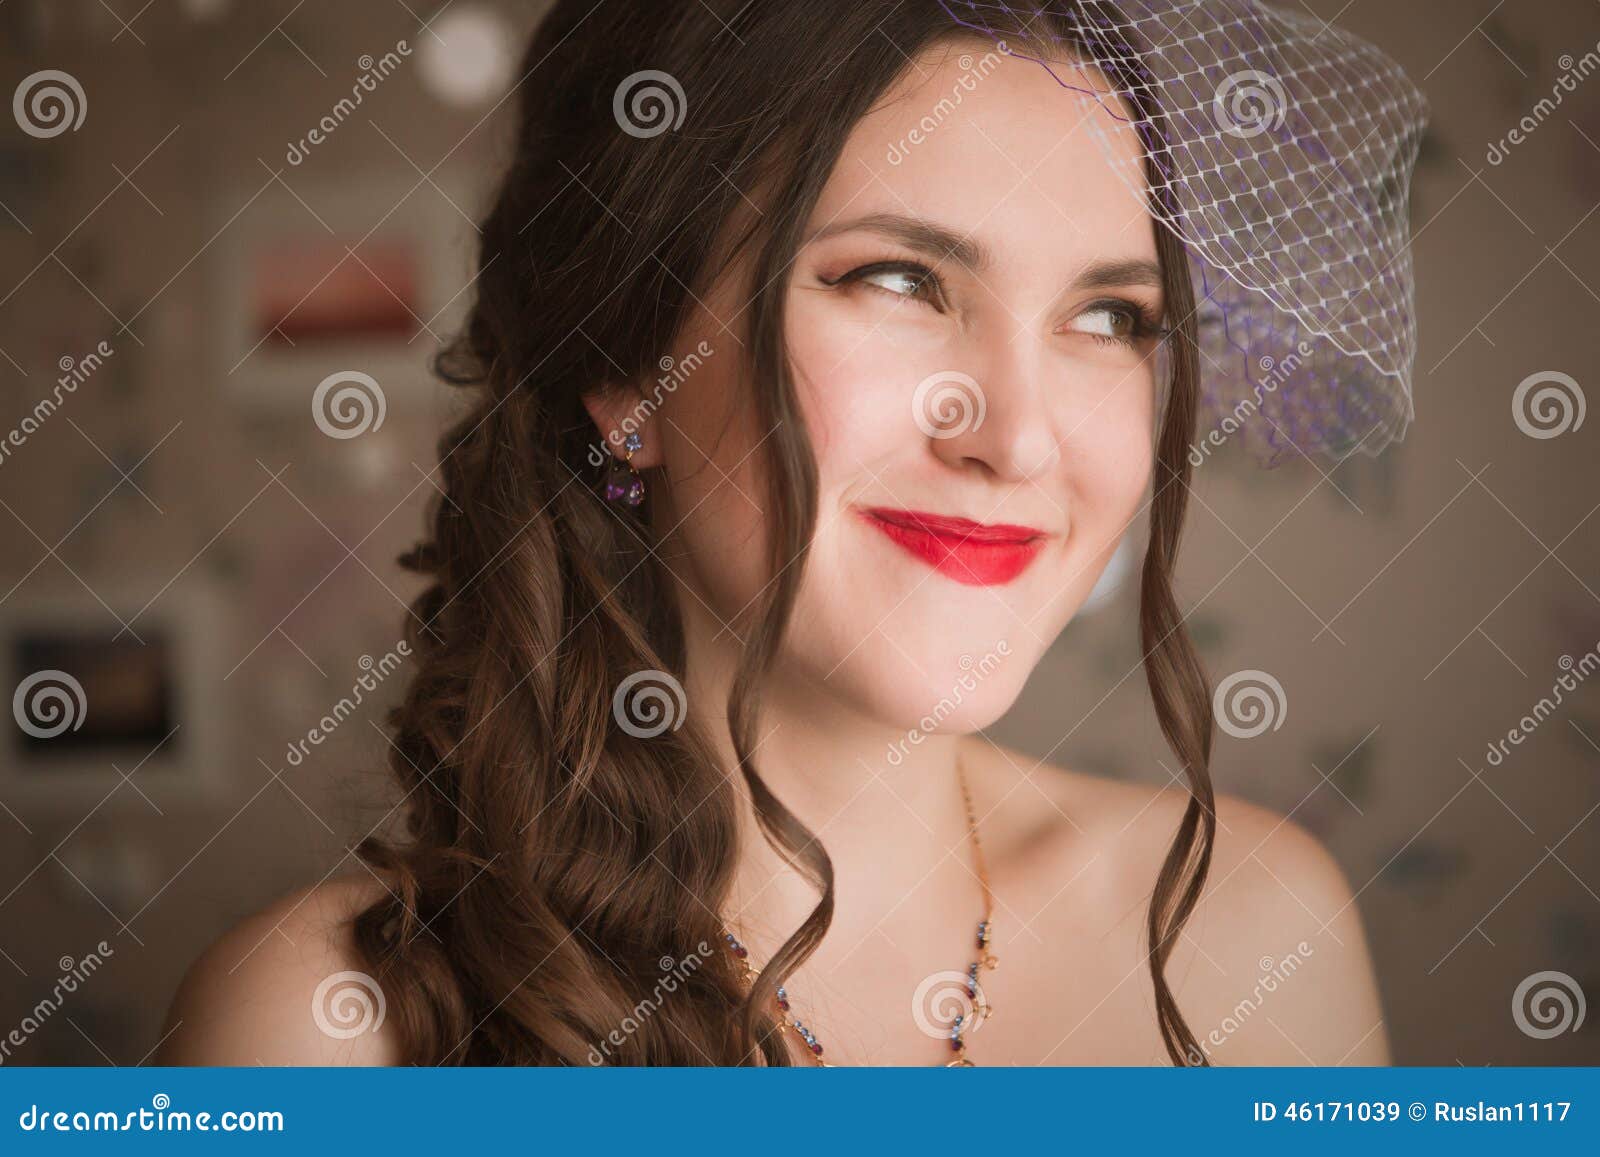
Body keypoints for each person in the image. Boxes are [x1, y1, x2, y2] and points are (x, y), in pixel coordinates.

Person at [160, 0, 1425, 1066]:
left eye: (1109, 317)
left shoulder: (1256, 934)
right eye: (897, 280)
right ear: (627, 361)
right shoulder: (320, 1029)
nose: (1020, 438)